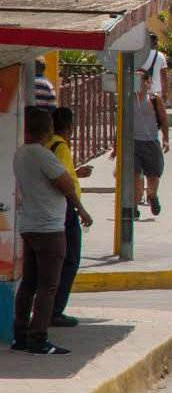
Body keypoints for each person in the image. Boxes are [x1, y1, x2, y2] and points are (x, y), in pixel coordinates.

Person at [12, 107, 93, 355]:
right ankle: (38, 337)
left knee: (29, 283)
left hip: (30, 225)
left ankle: (21, 334)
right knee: (48, 286)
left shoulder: (21, 154)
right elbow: (66, 184)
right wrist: (81, 210)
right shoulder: (43, 155)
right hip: (49, 228)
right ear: (46, 130)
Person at [45, 107, 92, 328]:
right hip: (65, 209)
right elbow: (63, 183)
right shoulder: (61, 146)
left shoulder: (46, 144)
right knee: (70, 260)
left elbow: (61, 173)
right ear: (69, 127)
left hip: (49, 209)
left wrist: (77, 172)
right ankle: (55, 311)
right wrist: (81, 209)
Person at [131, 69, 169, 217]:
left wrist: (166, 139)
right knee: (135, 177)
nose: (138, 84)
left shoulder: (154, 99)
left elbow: (164, 119)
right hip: (133, 143)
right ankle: (133, 206)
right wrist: (116, 146)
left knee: (153, 175)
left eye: (141, 80)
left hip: (151, 142)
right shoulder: (128, 99)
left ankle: (152, 196)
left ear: (148, 82)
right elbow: (121, 122)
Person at [141, 33, 169, 98]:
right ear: (156, 43)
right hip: (156, 91)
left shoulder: (139, 55)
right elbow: (164, 77)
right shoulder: (161, 56)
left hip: (142, 91)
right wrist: (165, 92)